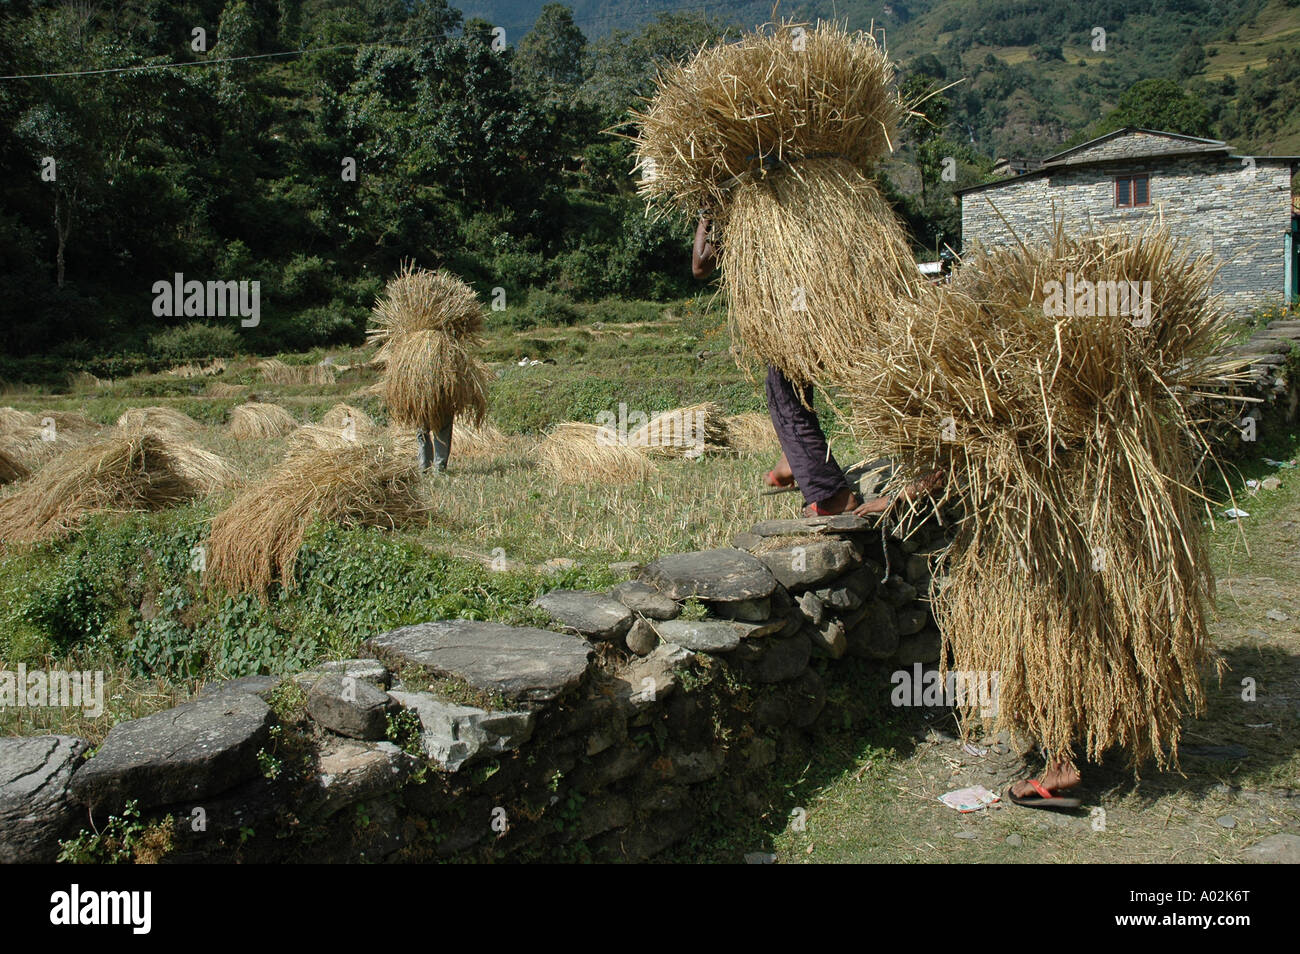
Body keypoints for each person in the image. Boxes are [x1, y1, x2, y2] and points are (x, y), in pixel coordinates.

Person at [693, 211, 861, 516]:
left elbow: (700, 266)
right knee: (786, 389)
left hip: (794, 311)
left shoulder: (741, 206)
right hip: (815, 301)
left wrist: (705, 216)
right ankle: (791, 461)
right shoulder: (797, 203)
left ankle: (835, 496)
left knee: (787, 399)